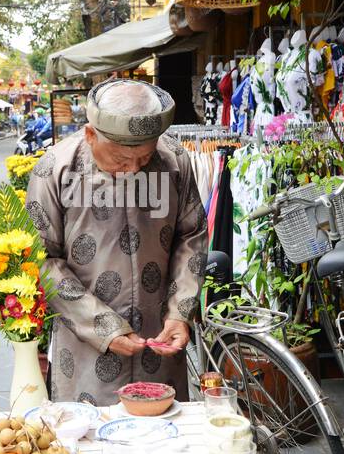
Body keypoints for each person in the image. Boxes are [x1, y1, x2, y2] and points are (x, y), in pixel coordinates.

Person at [25, 77, 208, 406]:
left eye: (143, 158)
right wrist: (103, 326)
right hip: (85, 355)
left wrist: (180, 311)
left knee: (163, 439)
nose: (133, 169)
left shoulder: (174, 160)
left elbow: (191, 235)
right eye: (121, 161)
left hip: (159, 342)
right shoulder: (55, 169)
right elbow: (42, 259)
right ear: (91, 134)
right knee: (90, 446)